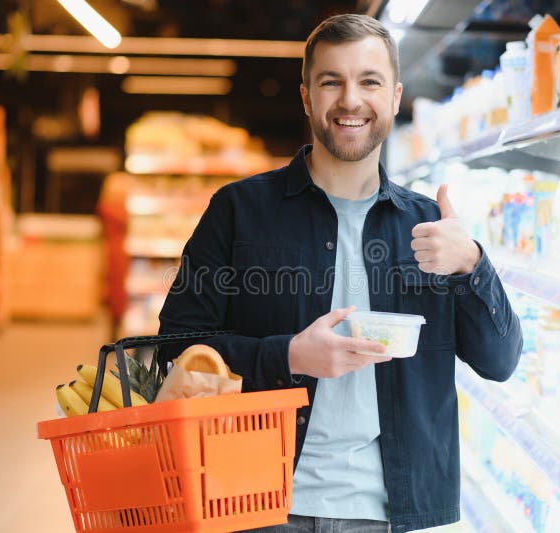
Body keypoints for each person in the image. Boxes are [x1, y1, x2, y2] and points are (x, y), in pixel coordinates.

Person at [157, 13, 522, 533]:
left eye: (369, 81)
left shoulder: (433, 228)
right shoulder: (238, 212)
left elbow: (501, 362)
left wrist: (473, 266)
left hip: (392, 514)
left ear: (394, 98)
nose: (351, 100)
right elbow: (175, 345)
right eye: (332, 81)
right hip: (256, 505)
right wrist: (287, 356)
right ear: (307, 97)